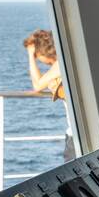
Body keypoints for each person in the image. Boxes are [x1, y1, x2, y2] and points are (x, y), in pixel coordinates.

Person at [23, 29, 75, 162]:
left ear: (41, 52)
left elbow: (37, 85)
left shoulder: (60, 65)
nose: (37, 59)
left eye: (36, 55)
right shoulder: (65, 63)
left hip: (75, 135)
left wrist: (30, 56)